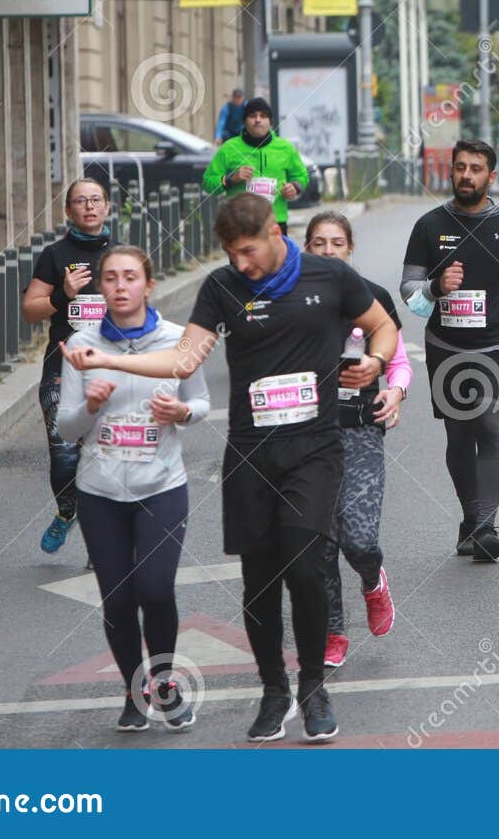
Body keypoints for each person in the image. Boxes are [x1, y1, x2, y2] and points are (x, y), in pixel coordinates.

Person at [65, 193, 398, 743]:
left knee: (306, 565)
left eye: (246, 250)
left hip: (315, 447)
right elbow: (182, 359)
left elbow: (382, 325)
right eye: (230, 252)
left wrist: (376, 361)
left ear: (274, 232)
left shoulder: (329, 276)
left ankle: (314, 689)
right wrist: (108, 359)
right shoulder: (222, 288)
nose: (240, 263)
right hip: (251, 452)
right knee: (259, 578)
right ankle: (274, 692)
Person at [56, 245, 210, 733]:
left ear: (148, 284)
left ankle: (165, 681)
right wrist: (92, 407)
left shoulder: (177, 339)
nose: (120, 287)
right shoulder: (81, 346)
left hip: (161, 485)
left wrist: (182, 414)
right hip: (100, 491)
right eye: (110, 278)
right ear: (99, 288)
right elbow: (65, 429)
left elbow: (201, 400)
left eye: (130, 277)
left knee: (156, 588)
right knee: (118, 599)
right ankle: (134, 689)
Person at [403, 140, 499, 559]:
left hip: (498, 342)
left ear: (491, 176)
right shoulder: (429, 225)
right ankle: (470, 517)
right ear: (451, 172)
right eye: (460, 167)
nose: (467, 175)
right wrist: (435, 286)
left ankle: (485, 524)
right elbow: (409, 289)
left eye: (476, 168)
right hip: (445, 343)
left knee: (488, 421)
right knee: (459, 434)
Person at [305, 212, 409, 665]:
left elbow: (400, 362)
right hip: (307, 434)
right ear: (306, 249)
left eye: (337, 243)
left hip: (361, 429)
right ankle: (333, 634)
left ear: (350, 249)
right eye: (319, 243)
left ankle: (372, 581)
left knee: (359, 540)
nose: (328, 251)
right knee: (321, 543)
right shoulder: (294, 299)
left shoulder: (374, 298)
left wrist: (395, 390)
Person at [22, 177, 118, 556]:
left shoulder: (123, 255)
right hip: (63, 369)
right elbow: (31, 310)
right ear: (69, 211)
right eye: (81, 201)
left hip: (113, 370)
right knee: (64, 458)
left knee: (107, 460)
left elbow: (145, 308)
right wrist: (65, 295)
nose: (89, 206)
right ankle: (67, 511)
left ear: (107, 206)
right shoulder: (55, 255)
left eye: (96, 200)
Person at [202, 97, 310, 236]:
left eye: (263, 116)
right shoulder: (229, 148)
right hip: (240, 223)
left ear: (270, 122)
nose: (258, 120)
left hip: (275, 222)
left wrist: (294, 187)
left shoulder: (285, 148)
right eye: (252, 116)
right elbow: (207, 183)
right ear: (245, 121)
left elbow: (301, 175)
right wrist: (231, 179)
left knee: (278, 259)